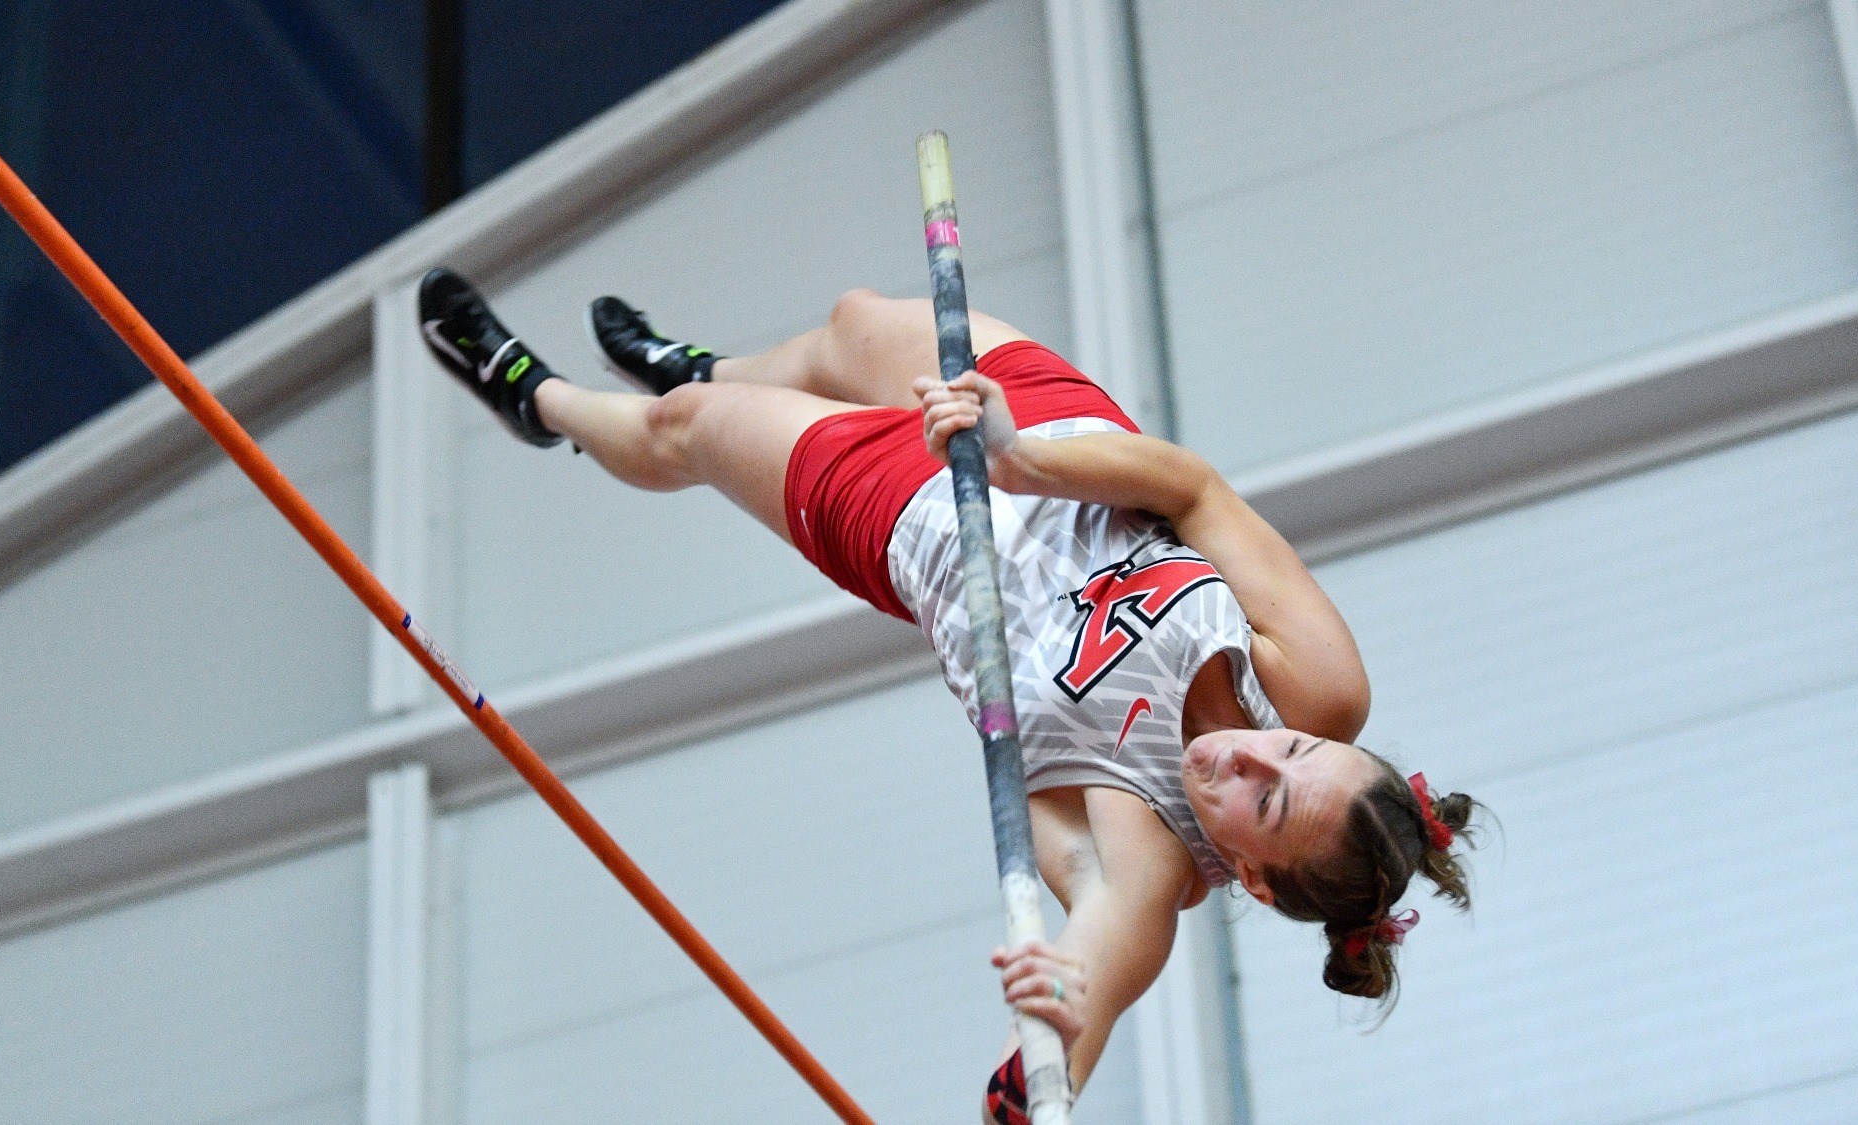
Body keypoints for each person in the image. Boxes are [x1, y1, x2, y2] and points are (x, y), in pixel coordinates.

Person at [416, 270, 1481, 1121]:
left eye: (1260, 799)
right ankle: (711, 364)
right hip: (1049, 440)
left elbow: (1088, 987)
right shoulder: (1320, 685)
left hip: (910, 527)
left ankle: (534, 398)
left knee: (683, 429)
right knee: (852, 324)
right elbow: (1191, 489)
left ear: (1248, 876)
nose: (1248, 756)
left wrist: (1044, 1059)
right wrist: (1018, 454)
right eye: (1289, 754)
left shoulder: (1146, 860)